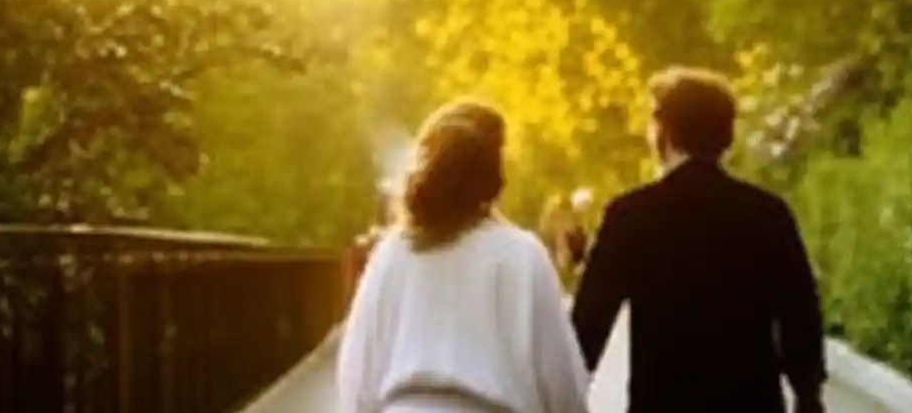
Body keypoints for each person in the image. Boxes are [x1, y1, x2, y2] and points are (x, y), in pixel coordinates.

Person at [572, 67, 827, 413]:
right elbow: (800, 313)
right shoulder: (766, 213)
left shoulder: (631, 215)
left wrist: (565, 391)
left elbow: (589, 322)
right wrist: (807, 394)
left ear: (665, 132)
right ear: (726, 134)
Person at [335, 100, 589, 413]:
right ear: (495, 178)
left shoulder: (393, 254)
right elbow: (562, 385)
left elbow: (356, 378)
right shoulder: (523, 256)